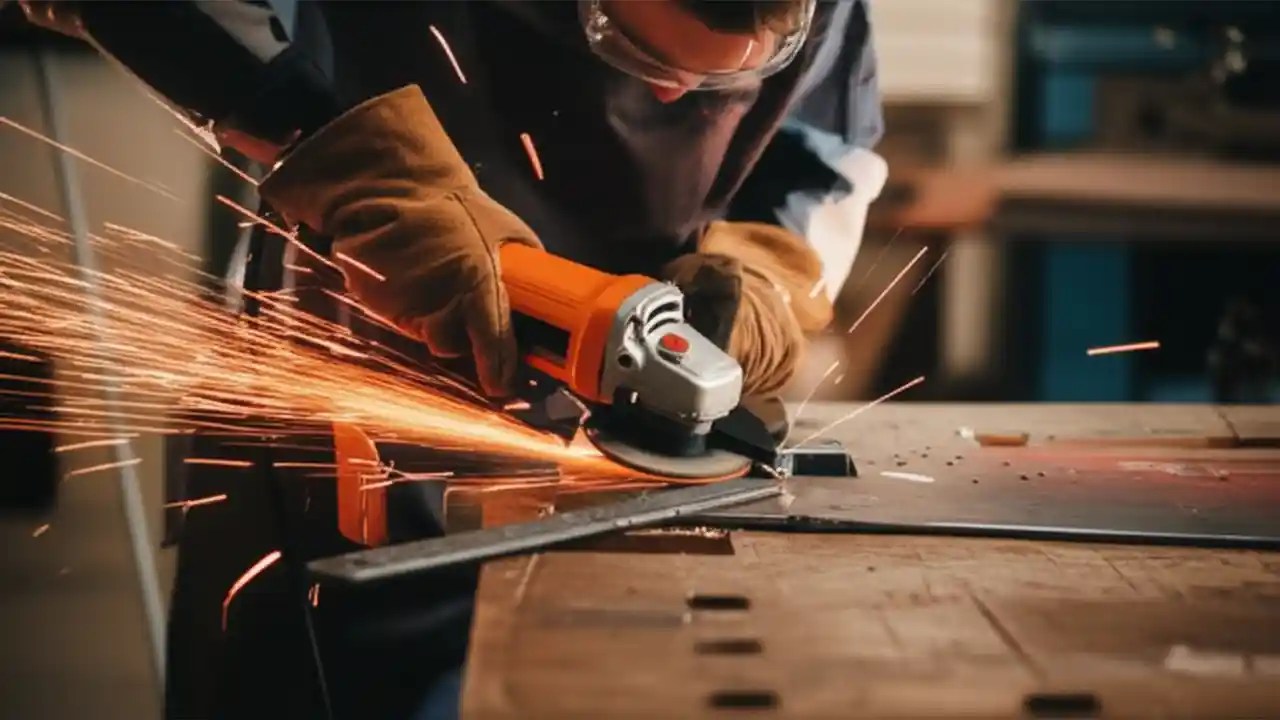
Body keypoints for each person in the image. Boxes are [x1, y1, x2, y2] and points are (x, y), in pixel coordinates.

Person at [21, 1, 882, 718]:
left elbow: (823, 153)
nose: (671, 93)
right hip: (349, 407)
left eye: (728, 77)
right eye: (634, 48)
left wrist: (768, 276)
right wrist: (358, 167)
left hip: (641, 446)